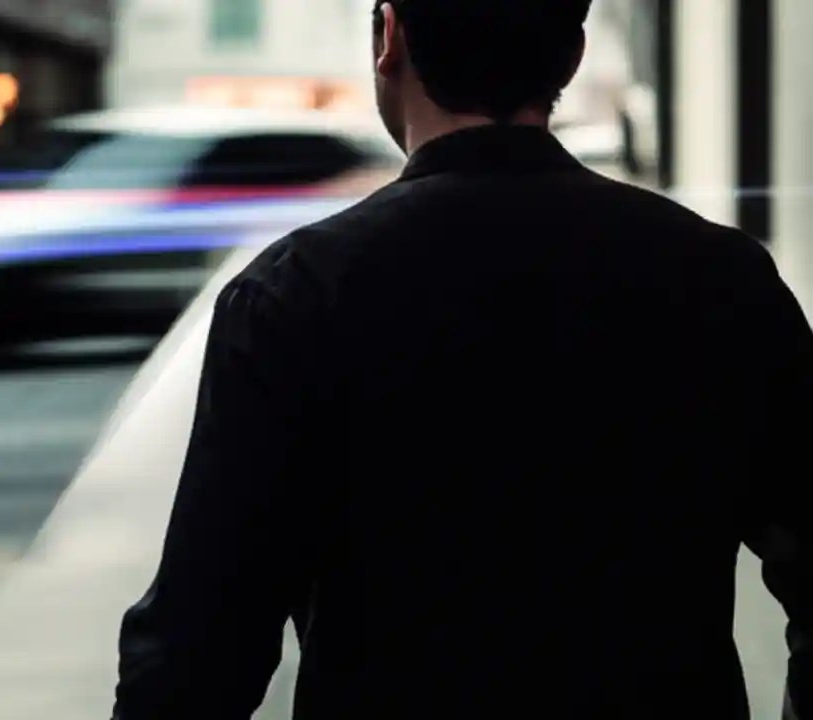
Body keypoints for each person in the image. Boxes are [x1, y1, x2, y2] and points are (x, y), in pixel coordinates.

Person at [112, 0, 812, 718]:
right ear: (570, 57)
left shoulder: (294, 296)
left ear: (390, 37)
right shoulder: (721, 279)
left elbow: (198, 651)